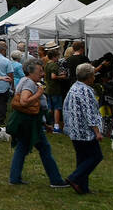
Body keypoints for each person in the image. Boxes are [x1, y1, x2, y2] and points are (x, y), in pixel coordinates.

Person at [7, 58, 68, 188]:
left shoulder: (25, 81)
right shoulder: (29, 83)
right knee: (44, 149)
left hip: (28, 122)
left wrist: (44, 124)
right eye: (40, 71)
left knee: (22, 148)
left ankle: (15, 177)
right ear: (30, 71)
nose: (42, 74)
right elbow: (24, 101)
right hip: (29, 123)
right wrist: (39, 93)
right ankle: (55, 180)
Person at [62, 63, 104, 193]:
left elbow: (66, 107)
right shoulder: (86, 91)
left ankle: (82, 187)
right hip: (85, 131)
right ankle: (74, 178)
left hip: (75, 129)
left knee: (82, 158)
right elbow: (89, 113)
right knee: (96, 156)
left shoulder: (74, 87)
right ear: (89, 77)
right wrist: (97, 131)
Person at [43, 41, 70, 134]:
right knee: (57, 108)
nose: (58, 58)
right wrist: (62, 77)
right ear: (54, 57)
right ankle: (56, 126)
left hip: (48, 88)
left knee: (49, 107)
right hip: (55, 89)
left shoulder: (47, 64)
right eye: (57, 56)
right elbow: (53, 76)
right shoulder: (54, 65)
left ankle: (48, 124)